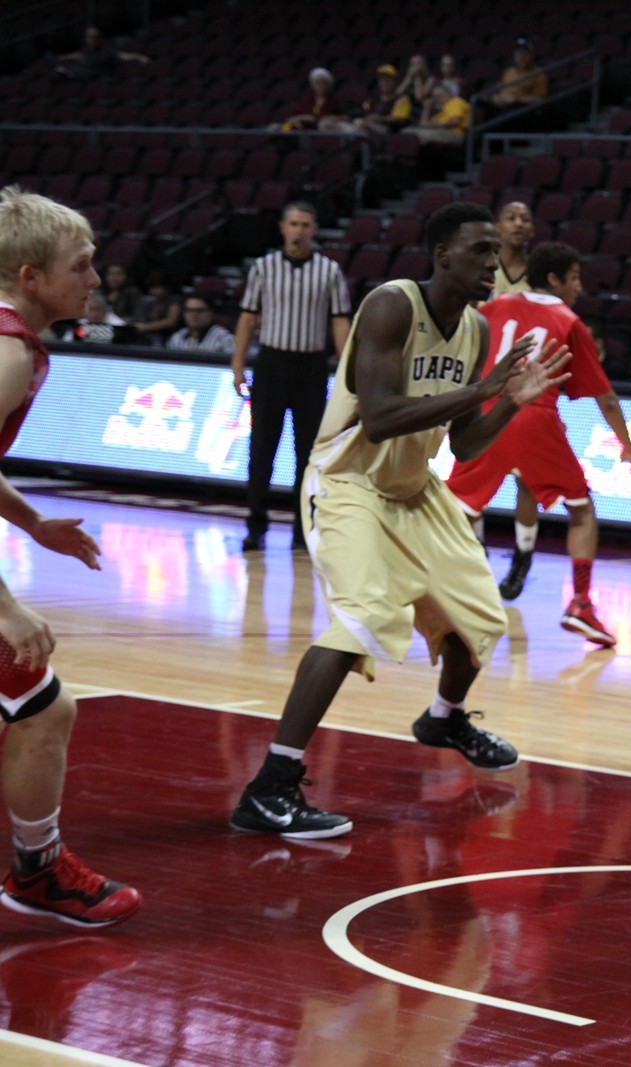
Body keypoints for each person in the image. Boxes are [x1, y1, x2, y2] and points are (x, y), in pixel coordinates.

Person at [229, 203, 572, 839]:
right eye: (479, 251)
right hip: (349, 483)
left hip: (414, 489)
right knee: (361, 617)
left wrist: (507, 401)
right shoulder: (392, 305)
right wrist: (485, 387)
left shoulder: (472, 330)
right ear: (442, 254)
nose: (493, 264)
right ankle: (270, 786)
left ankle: (444, 717)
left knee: (479, 618)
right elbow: (382, 417)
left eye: (497, 253)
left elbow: (465, 445)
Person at [0, 185, 141, 927]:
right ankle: (39, 871)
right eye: (81, 266)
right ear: (30, 276)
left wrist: (29, 523)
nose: (95, 278)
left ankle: (39, 867)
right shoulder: (11, 353)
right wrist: (7, 604)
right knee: (45, 709)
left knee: (38, 708)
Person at [446, 241, 631, 647]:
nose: (579, 286)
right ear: (554, 278)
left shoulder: (492, 305)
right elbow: (605, 398)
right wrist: (627, 446)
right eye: (574, 277)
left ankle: (442, 594)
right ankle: (581, 604)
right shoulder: (569, 320)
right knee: (581, 509)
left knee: (457, 512)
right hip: (532, 417)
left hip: (483, 414)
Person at [232, 202, 353, 553]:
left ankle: (305, 529)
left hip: (311, 366)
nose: (299, 230)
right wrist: (238, 364)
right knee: (261, 450)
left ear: (314, 229)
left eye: (305, 224)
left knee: (310, 453)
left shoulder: (329, 270)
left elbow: (340, 321)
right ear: (282, 228)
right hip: (271, 363)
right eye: (293, 224)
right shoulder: (263, 267)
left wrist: (346, 366)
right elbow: (247, 317)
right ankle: (256, 525)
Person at [50, 25, 149, 82]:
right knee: (50, 60)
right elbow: (77, 55)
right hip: (72, 74)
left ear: (99, 39)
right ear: (85, 39)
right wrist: (62, 57)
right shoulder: (84, 51)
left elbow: (123, 56)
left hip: (84, 80)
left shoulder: (107, 52)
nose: (91, 40)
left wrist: (140, 56)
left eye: (94, 37)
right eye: (89, 37)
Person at [351, 64, 414, 136]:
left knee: (359, 124)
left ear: (395, 82)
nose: (384, 83)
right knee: (339, 124)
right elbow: (363, 111)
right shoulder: (373, 97)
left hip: (386, 130)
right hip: (366, 124)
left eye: (388, 80)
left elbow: (400, 120)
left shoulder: (402, 99)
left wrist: (380, 119)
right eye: (382, 80)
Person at [491, 39, 549, 111]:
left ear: (531, 54)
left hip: (518, 109)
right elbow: (500, 86)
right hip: (499, 105)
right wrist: (495, 96)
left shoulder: (539, 74)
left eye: (524, 52)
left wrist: (516, 99)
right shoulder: (509, 71)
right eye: (518, 53)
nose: (521, 56)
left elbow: (540, 100)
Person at [492, 201, 535, 295]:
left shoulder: (538, 273)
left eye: (525, 220)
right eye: (511, 218)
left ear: (532, 230)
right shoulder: (485, 266)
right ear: (497, 227)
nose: (518, 224)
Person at [167, 294, 234, 353]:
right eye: (189, 310)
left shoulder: (225, 338)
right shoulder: (177, 337)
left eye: (200, 311)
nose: (194, 315)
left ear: (211, 313)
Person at [281, 67, 339, 132]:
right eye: (317, 83)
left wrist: (304, 118)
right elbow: (295, 114)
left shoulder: (332, 100)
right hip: (302, 127)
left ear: (328, 85)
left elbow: (324, 117)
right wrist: (297, 118)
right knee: (285, 128)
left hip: (316, 130)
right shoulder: (308, 99)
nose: (320, 85)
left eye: (323, 82)